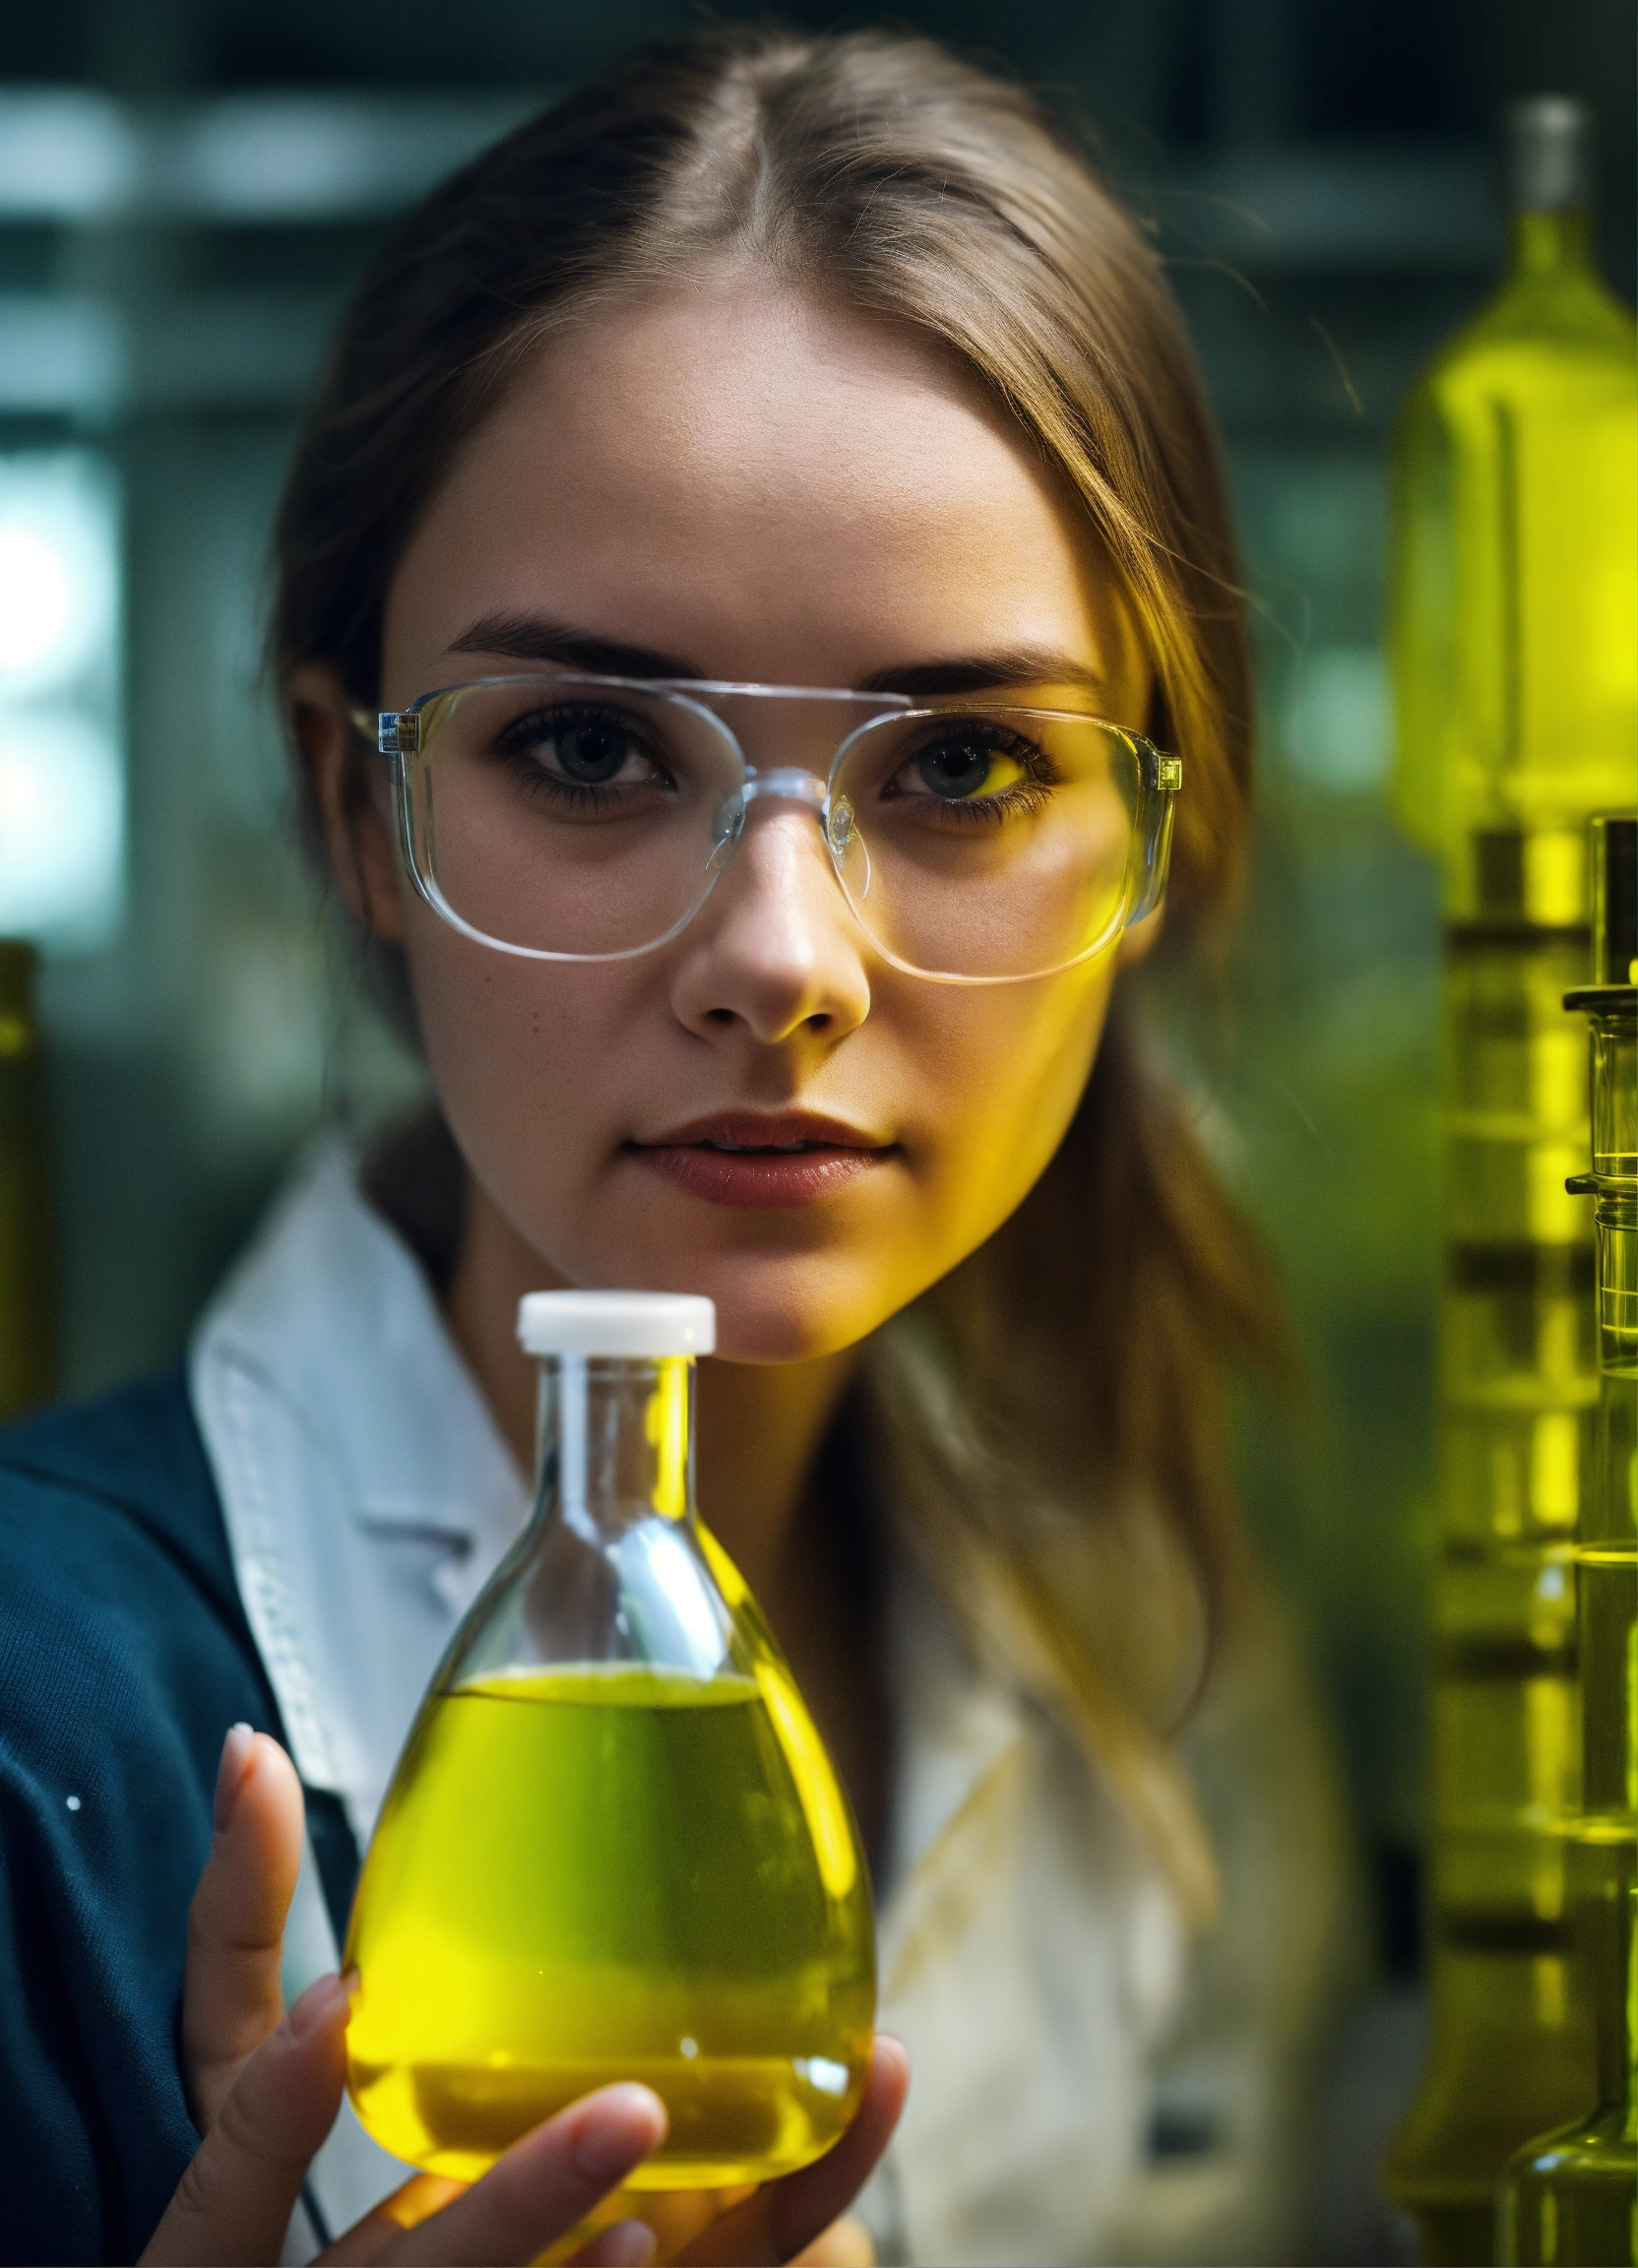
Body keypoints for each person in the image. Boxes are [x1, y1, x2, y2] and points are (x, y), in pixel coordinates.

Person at [0, 25, 1350, 2267]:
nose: (779, 957)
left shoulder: (1170, 1684)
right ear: (360, 809)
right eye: (595, 744)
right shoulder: (46, 1754)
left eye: (963, 769)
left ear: (1161, 852)